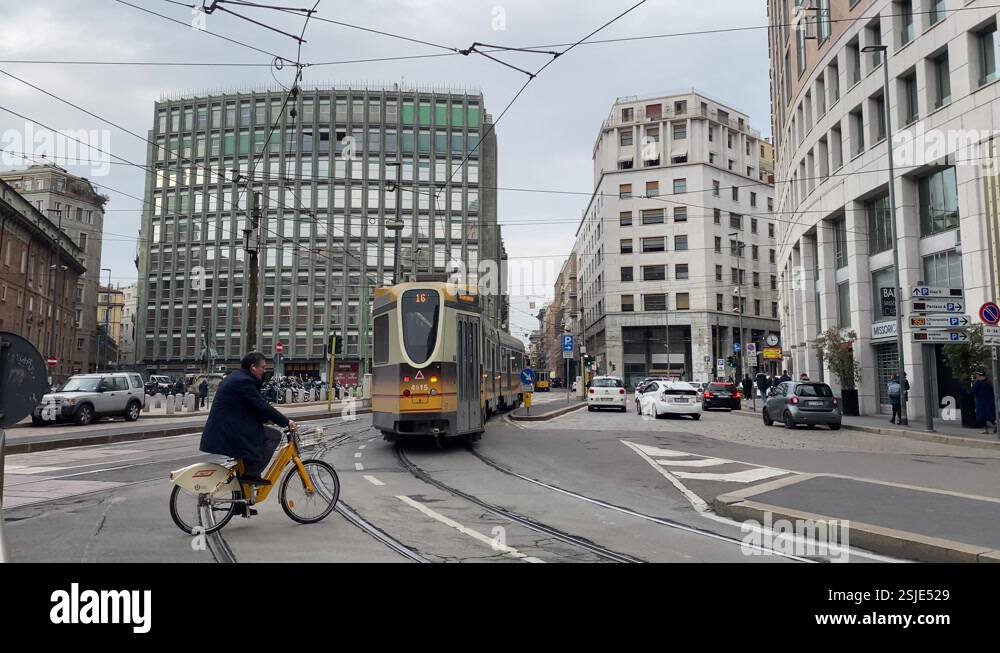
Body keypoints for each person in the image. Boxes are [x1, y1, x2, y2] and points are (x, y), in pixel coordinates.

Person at [200, 352, 299, 488]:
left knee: (254, 447)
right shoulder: (244, 381)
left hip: (227, 426)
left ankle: (241, 502)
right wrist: (286, 422)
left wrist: (266, 419)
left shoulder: (238, 377)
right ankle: (252, 473)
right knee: (274, 436)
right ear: (253, 367)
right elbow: (261, 405)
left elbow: (249, 406)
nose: (265, 371)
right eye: (263, 368)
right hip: (229, 430)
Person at [972, 370, 997, 435]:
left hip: (982, 402)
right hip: (988, 401)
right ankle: (991, 427)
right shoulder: (988, 381)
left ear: (979, 376)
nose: (976, 376)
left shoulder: (978, 383)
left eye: (977, 375)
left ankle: (990, 427)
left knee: (984, 417)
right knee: (988, 416)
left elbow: (974, 391)